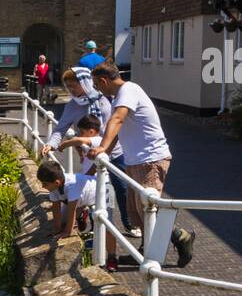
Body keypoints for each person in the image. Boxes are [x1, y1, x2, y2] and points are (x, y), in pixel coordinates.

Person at [87, 60, 195, 267]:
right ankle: (147, 250)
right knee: (137, 210)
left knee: (148, 206)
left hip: (150, 158)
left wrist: (101, 148)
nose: (97, 90)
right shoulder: (120, 96)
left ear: (103, 80)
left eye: (97, 85)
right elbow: (118, 129)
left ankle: (181, 237)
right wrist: (105, 153)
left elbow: (117, 119)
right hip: (136, 159)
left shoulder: (129, 90)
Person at [41, 66, 136, 236]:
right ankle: (95, 229)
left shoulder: (105, 99)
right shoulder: (72, 106)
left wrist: (103, 146)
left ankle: (129, 224)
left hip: (114, 152)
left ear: (85, 83)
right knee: (96, 192)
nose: (71, 90)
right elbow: (60, 127)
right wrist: (51, 144)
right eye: (68, 86)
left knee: (122, 188)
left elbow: (113, 125)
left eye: (74, 85)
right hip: (91, 156)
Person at [36, 159, 118, 270]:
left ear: (57, 182)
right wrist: (57, 229)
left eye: (44, 184)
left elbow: (71, 210)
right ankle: (82, 212)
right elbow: (56, 209)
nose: (42, 186)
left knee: (107, 226)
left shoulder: (72, 185)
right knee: (64, 223)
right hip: (80, 198)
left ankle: (112, 257)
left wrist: (67, 232)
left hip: (103, 190)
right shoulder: (54, 186)